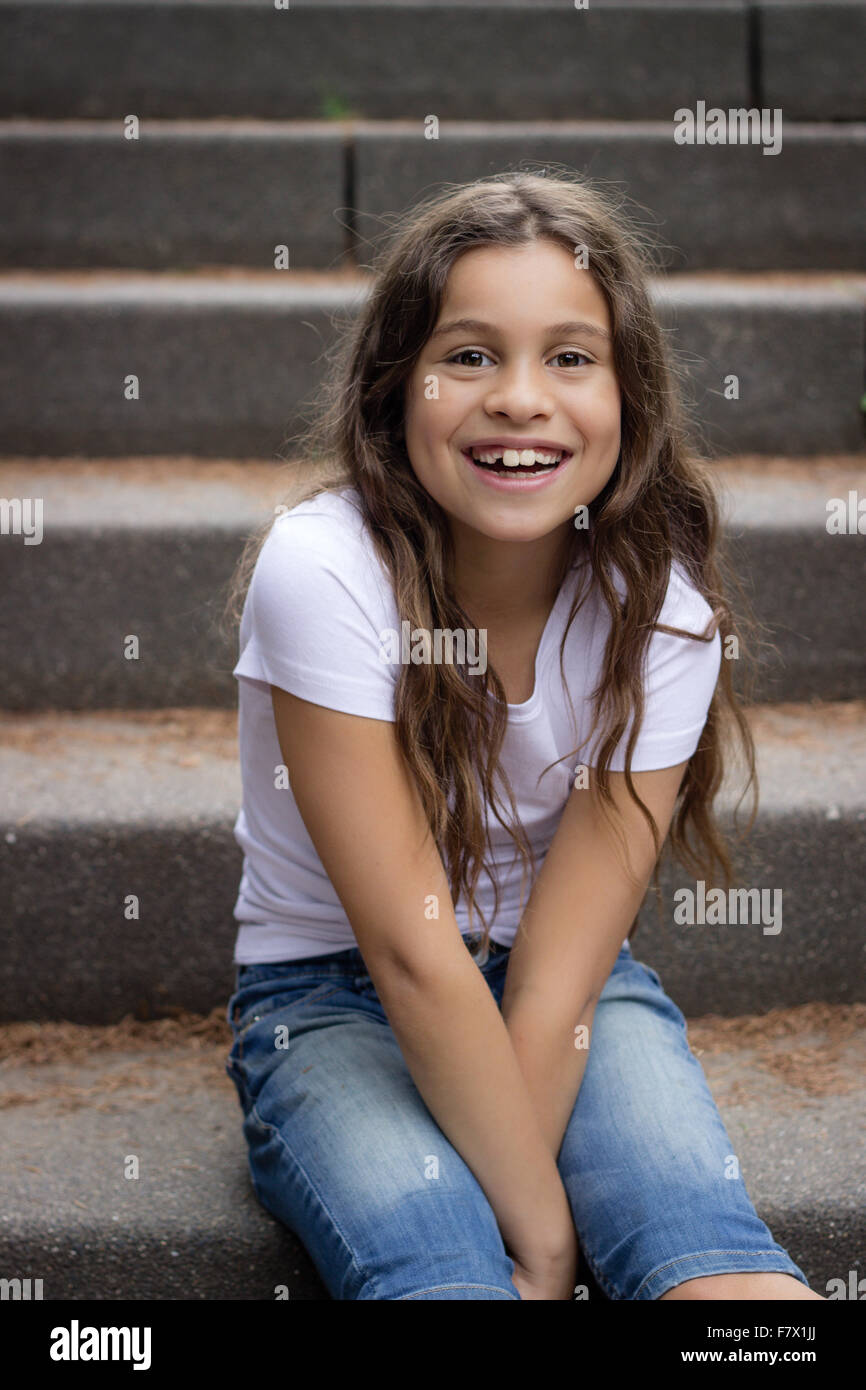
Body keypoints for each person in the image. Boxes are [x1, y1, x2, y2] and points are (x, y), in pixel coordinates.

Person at [221, 171, 821, 1300]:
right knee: (444, 1271)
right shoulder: (325, 569)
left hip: (566, 985)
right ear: (396, 388)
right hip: (330, 996)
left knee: (711, 1259)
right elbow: (409, 955)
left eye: (568, 356)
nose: (518, 398)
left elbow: (553, 980)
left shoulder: (663, 602)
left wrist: (537, 1224)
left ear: (628, 394)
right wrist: (536, 1240)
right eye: (468, 355)